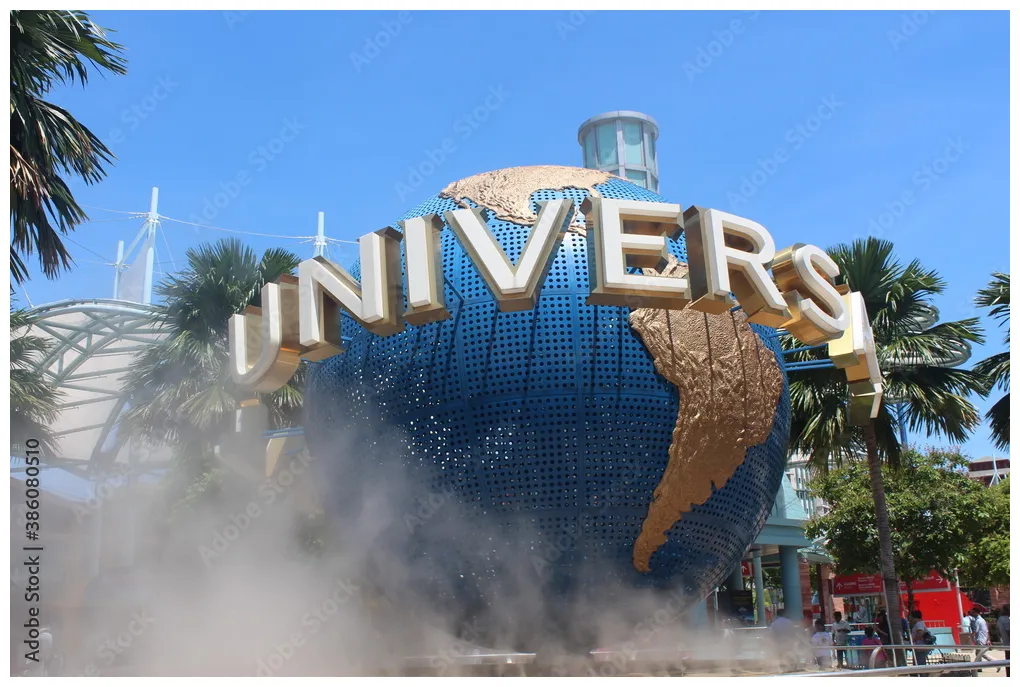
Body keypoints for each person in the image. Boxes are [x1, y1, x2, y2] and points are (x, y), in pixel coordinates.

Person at [997, 605, 1010, 677]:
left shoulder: (1000, 619)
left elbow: (998, 632)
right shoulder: (1006, 619)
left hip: (1006, 645)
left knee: (1008, 666)